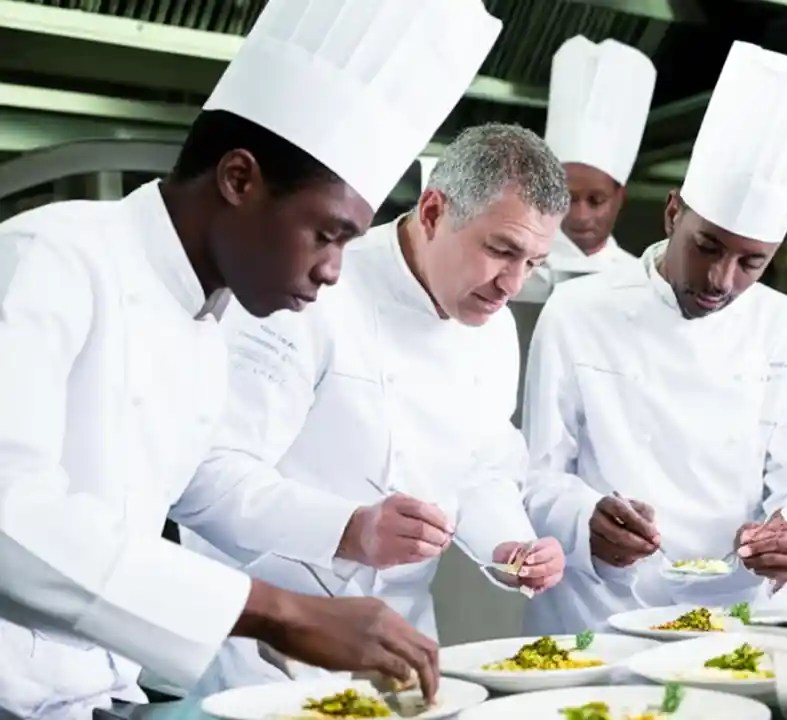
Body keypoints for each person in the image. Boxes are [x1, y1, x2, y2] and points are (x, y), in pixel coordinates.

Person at [0, 1, 501, 715]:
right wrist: (274, 611)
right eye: (327, 234)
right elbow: (10, 517)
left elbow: (199, 487)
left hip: (94, 697)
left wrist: (352, 529)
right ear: (239, 179)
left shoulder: (206, 321)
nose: (333, 271)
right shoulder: (50, 259)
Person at [182, 123, 572, 691]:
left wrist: (509, 546)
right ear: (434, 211)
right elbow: (208, 476)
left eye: (534, 262)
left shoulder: (491, 328)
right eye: (501, 250)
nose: (512, 284)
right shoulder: (310, 286)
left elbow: (483, 469)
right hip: (265, 650)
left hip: (402, 645)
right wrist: (351, 529)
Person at [520, 41, 787, 635]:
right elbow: (537, 474)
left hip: (737, 621)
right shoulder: (577, 312)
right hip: (597, 617)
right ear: (674, 213)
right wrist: (585, 519)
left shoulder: (786, 327)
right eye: (707, 247)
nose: (721, 282)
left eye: (751, 263)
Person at [520, 36, 656, 299]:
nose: (581, 216)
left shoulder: (641, 285)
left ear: (619, 198)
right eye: (568, 199)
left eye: (596, 201)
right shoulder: (511, 271)